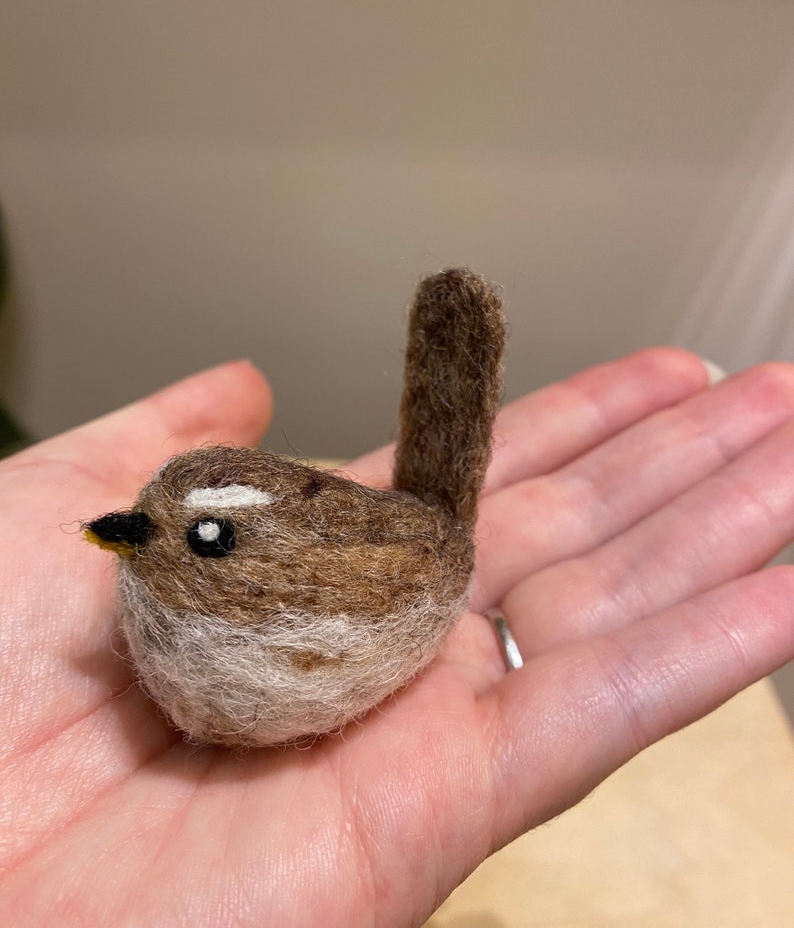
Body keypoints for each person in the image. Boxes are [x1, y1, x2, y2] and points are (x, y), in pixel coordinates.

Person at [1, 349, 793, 925]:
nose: (136, 539)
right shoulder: (159, 590)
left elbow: (419, 558)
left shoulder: (333, 587)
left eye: (204, 535)